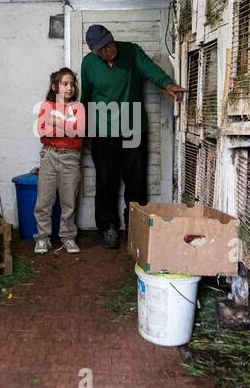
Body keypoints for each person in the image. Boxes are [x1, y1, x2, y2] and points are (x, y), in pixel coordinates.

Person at [79, 24, 185, 249]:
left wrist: (168, 84)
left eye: (110, 44)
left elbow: (151, 70)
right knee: (106, 181)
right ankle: (108, 227)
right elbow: (86, 97)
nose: (109, 50)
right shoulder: (88, 63)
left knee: (136, 180)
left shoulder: (132, 51)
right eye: (102, 49)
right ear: (94, 52)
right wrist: (85, 129)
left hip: (133, 127)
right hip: (102, 130)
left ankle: (136, 224)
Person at [32, 67, 85, 254]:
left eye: (72, 84)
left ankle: (68, 237)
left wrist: (55, 123)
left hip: (71, 158)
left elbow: (79, 131)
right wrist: (67, 126)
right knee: (44, 201)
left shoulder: (78, 107)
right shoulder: (47, 106)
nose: (69, 88)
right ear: (55, 86)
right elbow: (42, 131)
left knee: (69, 201)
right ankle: (42, 238)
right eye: (64, 84)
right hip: (49, 155)